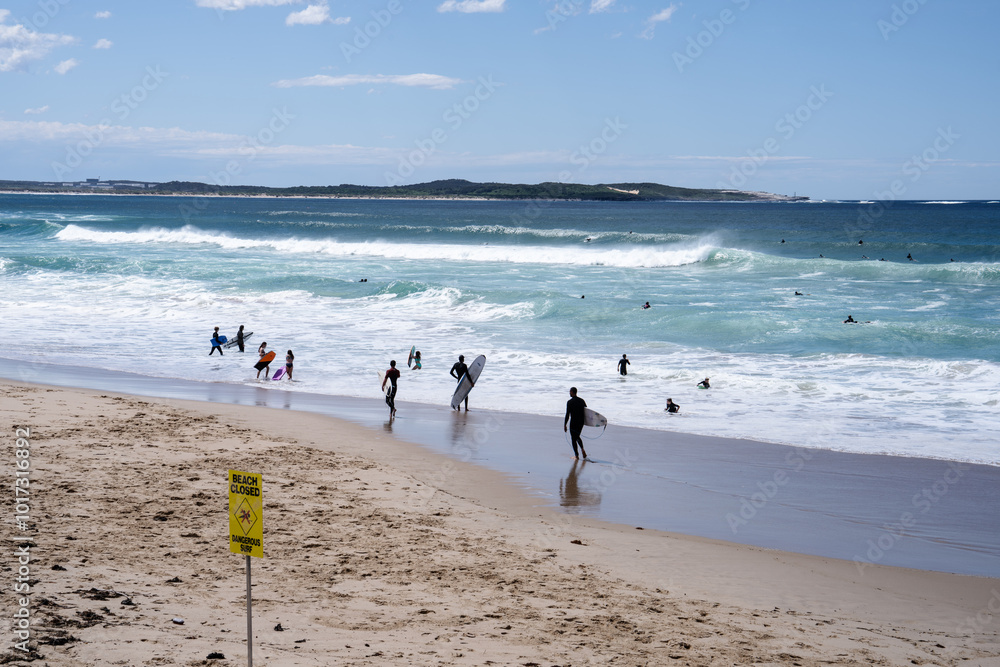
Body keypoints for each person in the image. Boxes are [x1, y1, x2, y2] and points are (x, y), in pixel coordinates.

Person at [563, 387, 588, 460]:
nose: (569, 393)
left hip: (574, 422)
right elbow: (586, 412)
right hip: (581, 422)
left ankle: (576, 455)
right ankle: (582, 449)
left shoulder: (569, 402)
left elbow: (567, 414)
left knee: (573, 438)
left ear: (572, 392)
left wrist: (565, 424)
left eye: (570, 392)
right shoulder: (582, 401)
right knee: (577, 436)